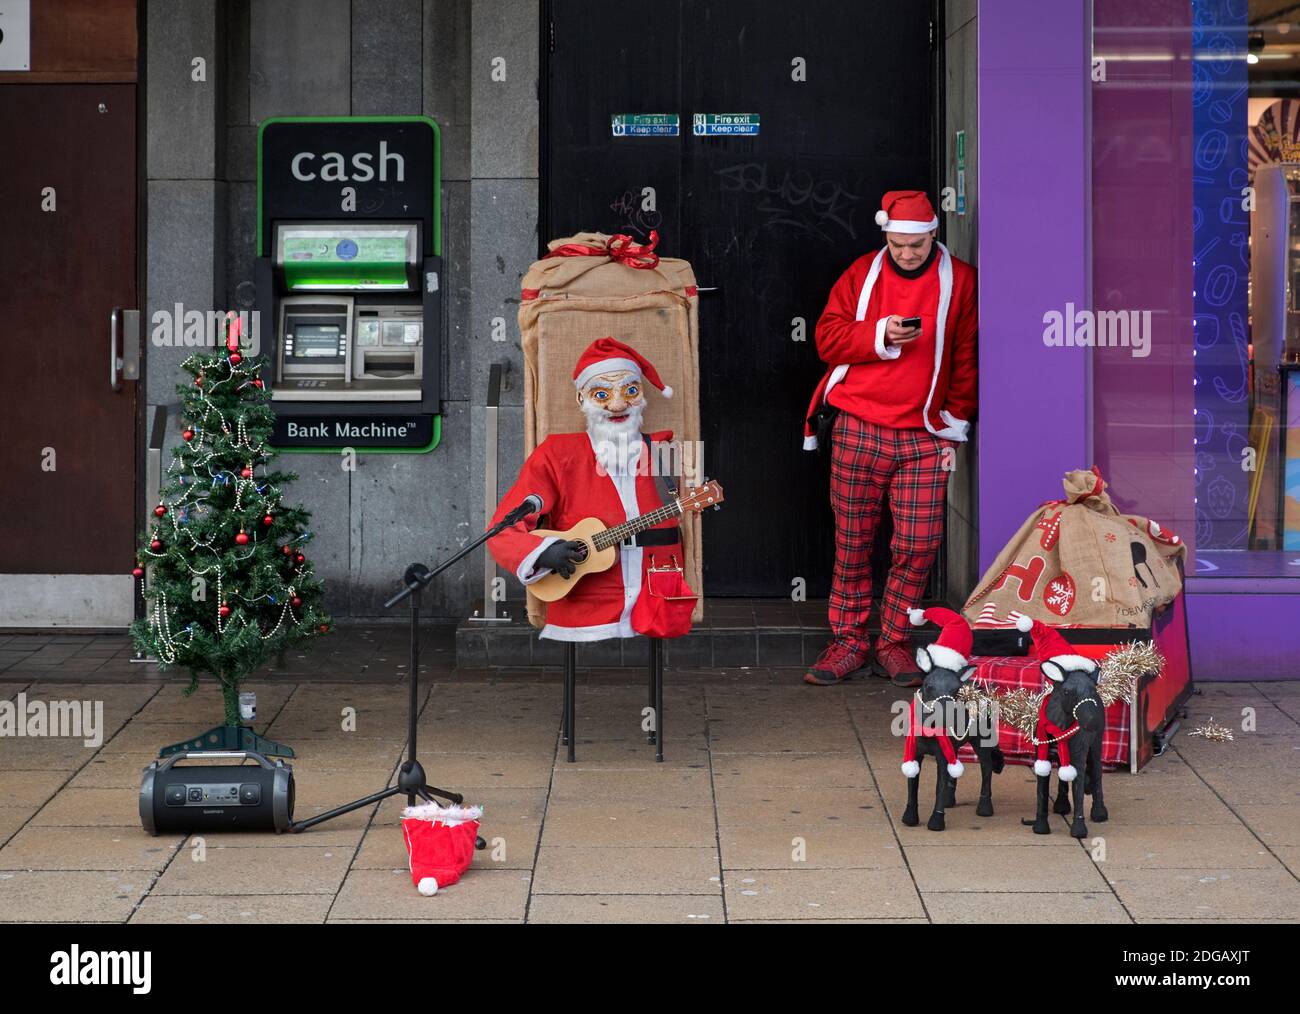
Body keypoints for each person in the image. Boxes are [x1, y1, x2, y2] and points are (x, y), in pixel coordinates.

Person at [801, 190, 977, 687]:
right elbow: (826, 339)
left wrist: (956, 424)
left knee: (919, 544)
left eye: (916, 245)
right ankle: (849, 642)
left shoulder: (961, 281)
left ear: (933, 236)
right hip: (858, 424)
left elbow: (965, 358)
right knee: (853, 541)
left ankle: (895, 640)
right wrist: (878, 335)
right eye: (897, 245)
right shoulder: (861, 273)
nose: (906, 254)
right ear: (886, 236)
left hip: (924, 433)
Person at [487, 337, 681, 641]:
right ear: (582, 399)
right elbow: (503, 529)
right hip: (584, 605)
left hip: (657, 599)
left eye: (630, 391)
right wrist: (540, 552)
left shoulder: (664, 451)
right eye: (602, 393)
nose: (617, 405)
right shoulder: (556, 454)